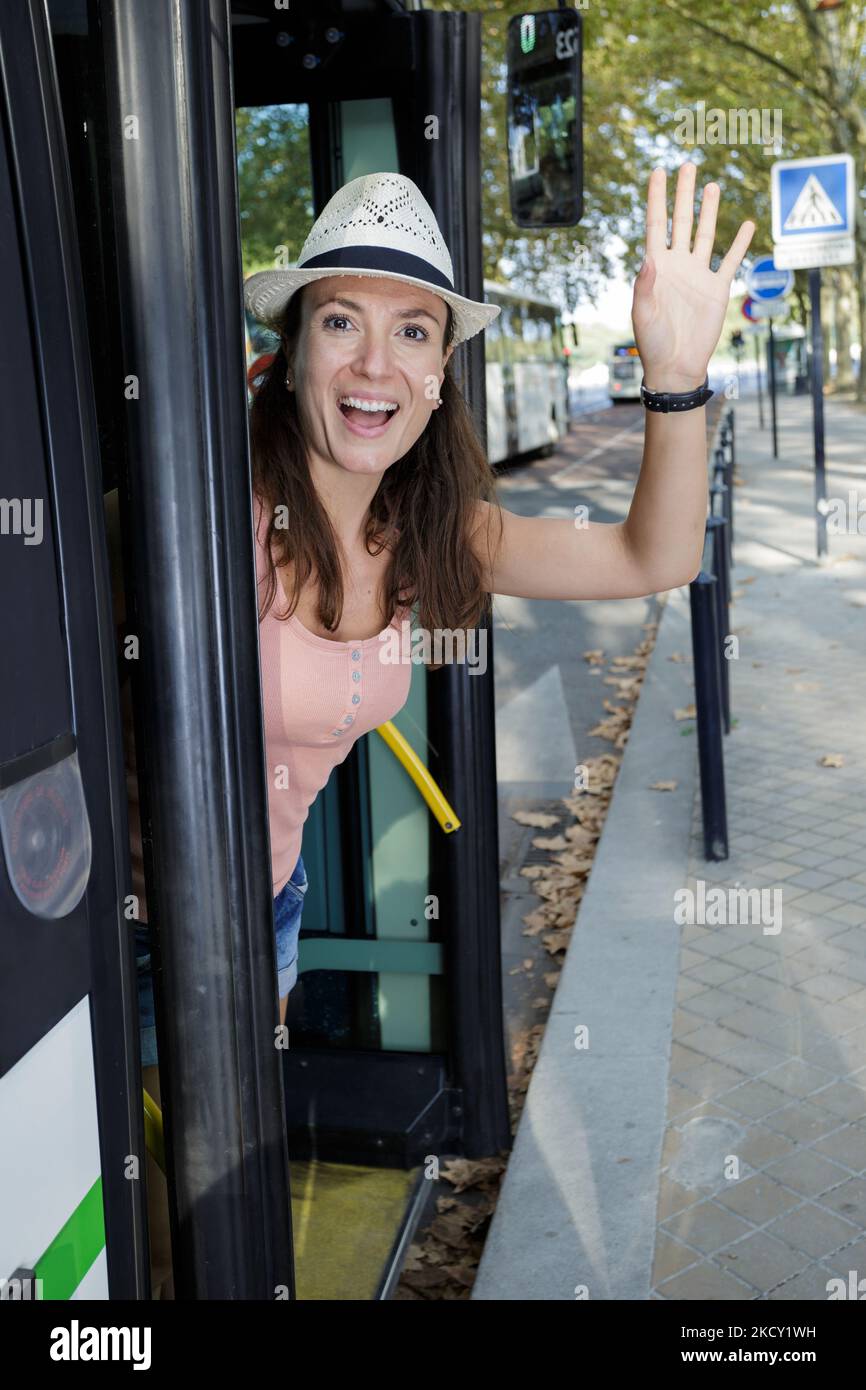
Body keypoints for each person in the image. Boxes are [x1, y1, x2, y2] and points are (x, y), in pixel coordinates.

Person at [123, 162, 754, 1296]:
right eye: (341, 322)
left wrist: (673, 378)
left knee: (201, 1221)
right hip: (109, 927)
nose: (375, 363)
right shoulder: (201, 504)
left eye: (412, 331)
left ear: (439, 372)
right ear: (293, 349)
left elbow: (650, 558)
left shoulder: (430, 533)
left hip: (259, 917)